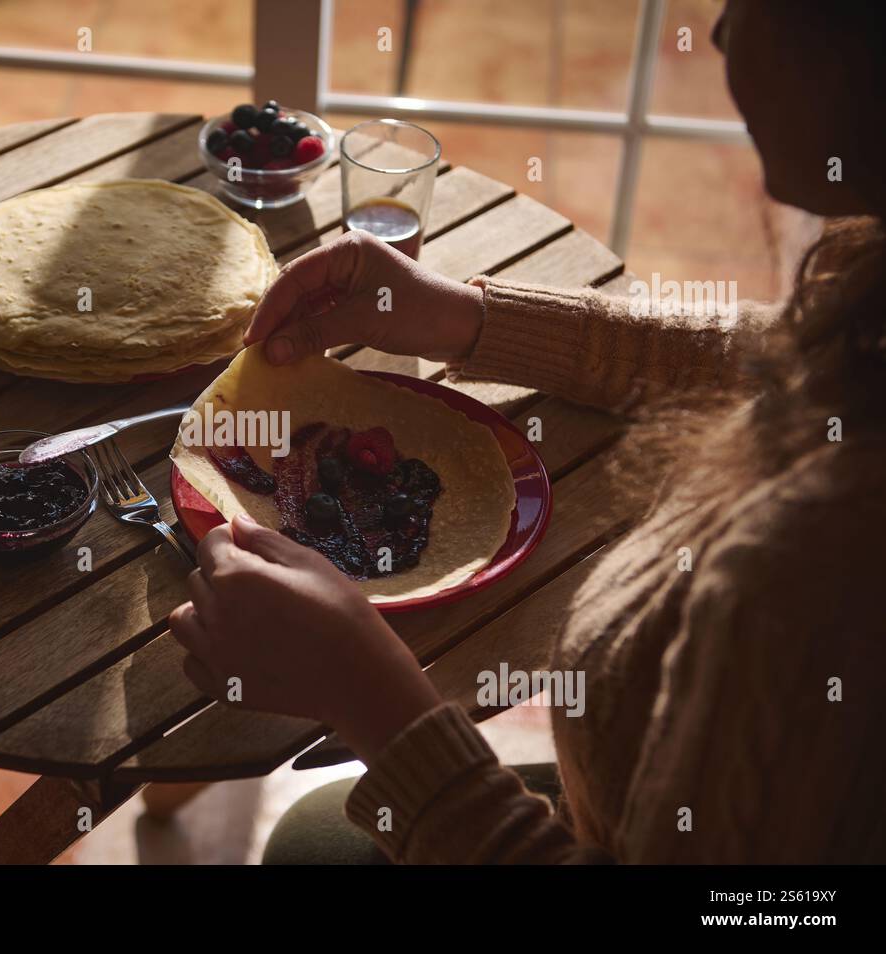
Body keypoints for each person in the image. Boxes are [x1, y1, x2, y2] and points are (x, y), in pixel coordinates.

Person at [166, 0, 886, 863]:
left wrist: (376, 704)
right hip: (618, 795)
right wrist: (461, 320)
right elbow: (777, 350)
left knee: (309, 844)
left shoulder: (817, 569)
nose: (722, 33)